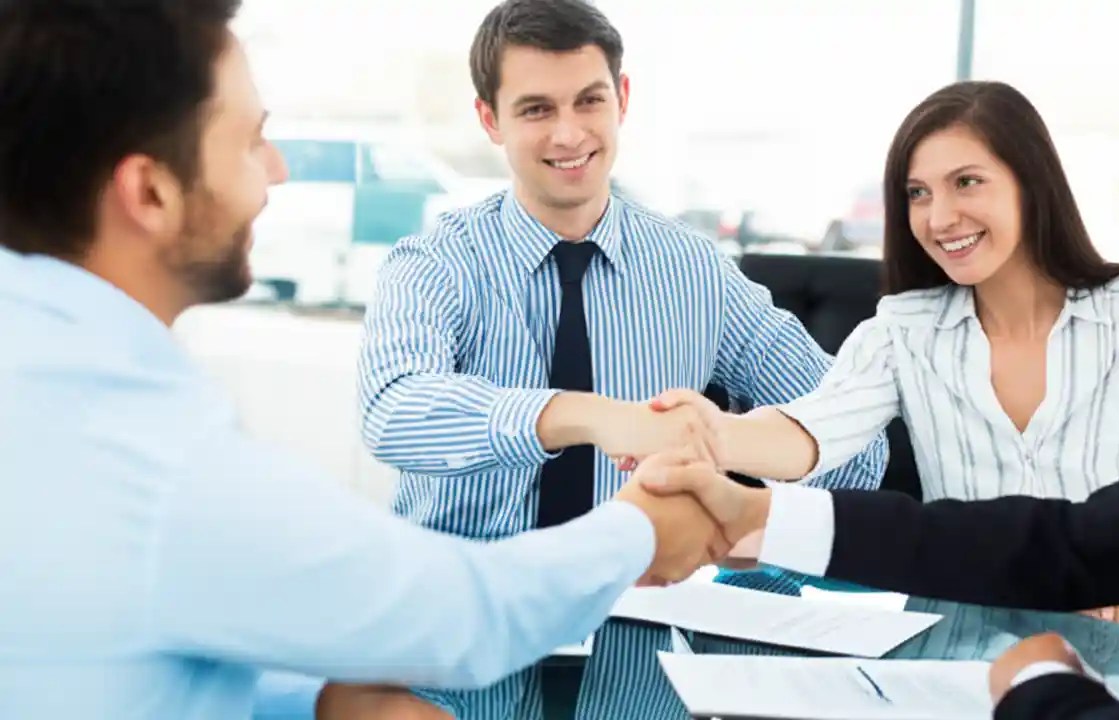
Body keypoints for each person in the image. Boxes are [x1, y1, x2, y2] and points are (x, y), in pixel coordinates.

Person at [0, 2, 727, 718]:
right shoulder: (158, 458)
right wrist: (641, 529)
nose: (278, 171)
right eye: (252, 142)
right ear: (151, 193)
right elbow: (468, 621)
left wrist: (309, 701)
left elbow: (114, 641)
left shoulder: (42, 379)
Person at [642, 0, 1119, 715]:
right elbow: (1070, 540)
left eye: (967, 182)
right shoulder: (907, 327)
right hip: (953, 655)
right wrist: (732, 470)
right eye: (918, 193)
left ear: (1032, 183)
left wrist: (1069, 652)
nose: (940, 216)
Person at [327, 0, 888, 717]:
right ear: (490, 120)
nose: (569, 134)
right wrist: (590, 417)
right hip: (458, 640)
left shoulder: (695, 271)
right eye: (536, 109)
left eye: (588, 101)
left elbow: (853, 446)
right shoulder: (435, 261)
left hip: (642, 646)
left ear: (621, 99)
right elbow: (393, 409)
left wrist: (723, 467)